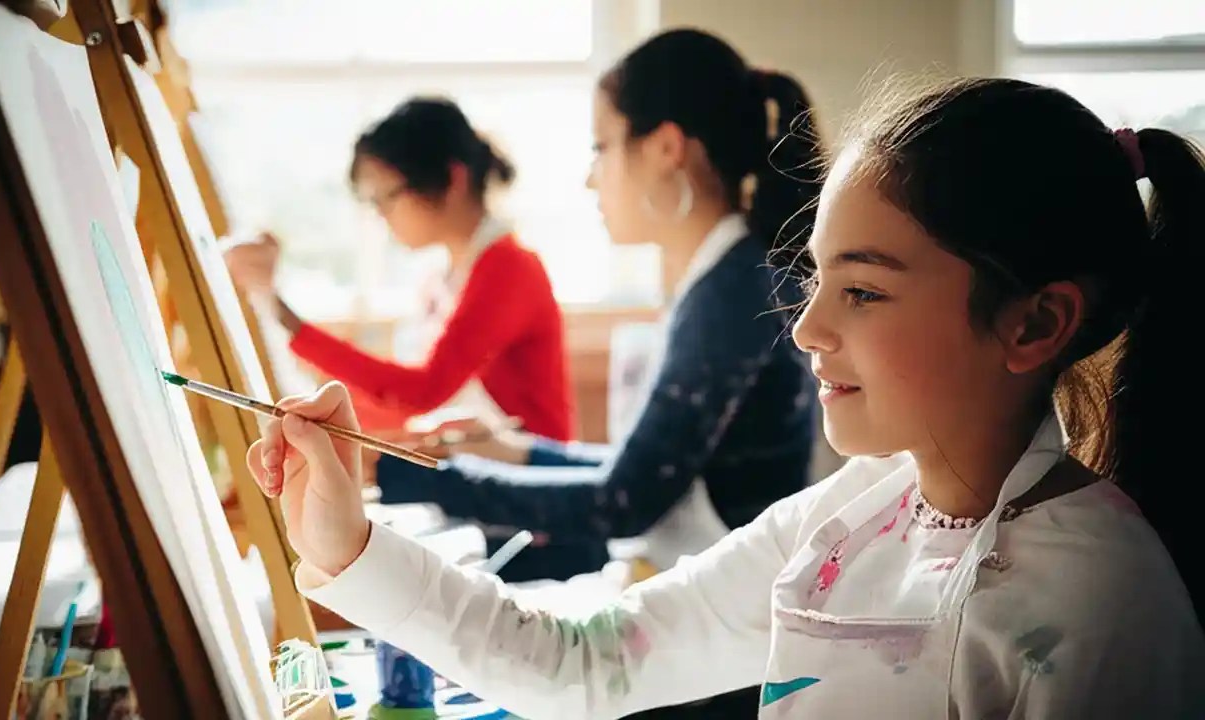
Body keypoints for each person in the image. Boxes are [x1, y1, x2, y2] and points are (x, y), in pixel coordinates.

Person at [248, 75, 1205, 718]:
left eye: (863, 291)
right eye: (817, 280)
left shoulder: (1101, 599)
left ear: (1033, 325)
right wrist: (345, 544)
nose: (807, 328)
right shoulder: (850, 515)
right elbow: (589, 659)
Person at [367, 29, 823, 600]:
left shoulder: (732, 293)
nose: (590, 177)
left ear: (665, 148)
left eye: (601, 147)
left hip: (732, 629)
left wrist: (401, 472)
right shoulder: (725, 280)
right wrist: (519, 453)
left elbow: (623, 501)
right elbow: (646, 471)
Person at [224, 97, 574, 442]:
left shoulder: (508, 269)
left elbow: (421, 392)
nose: (380, 215)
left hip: (533, 481)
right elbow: (407, 405)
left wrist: (286, 318)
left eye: (386, 198)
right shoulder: (446, 275)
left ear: (452, 180)